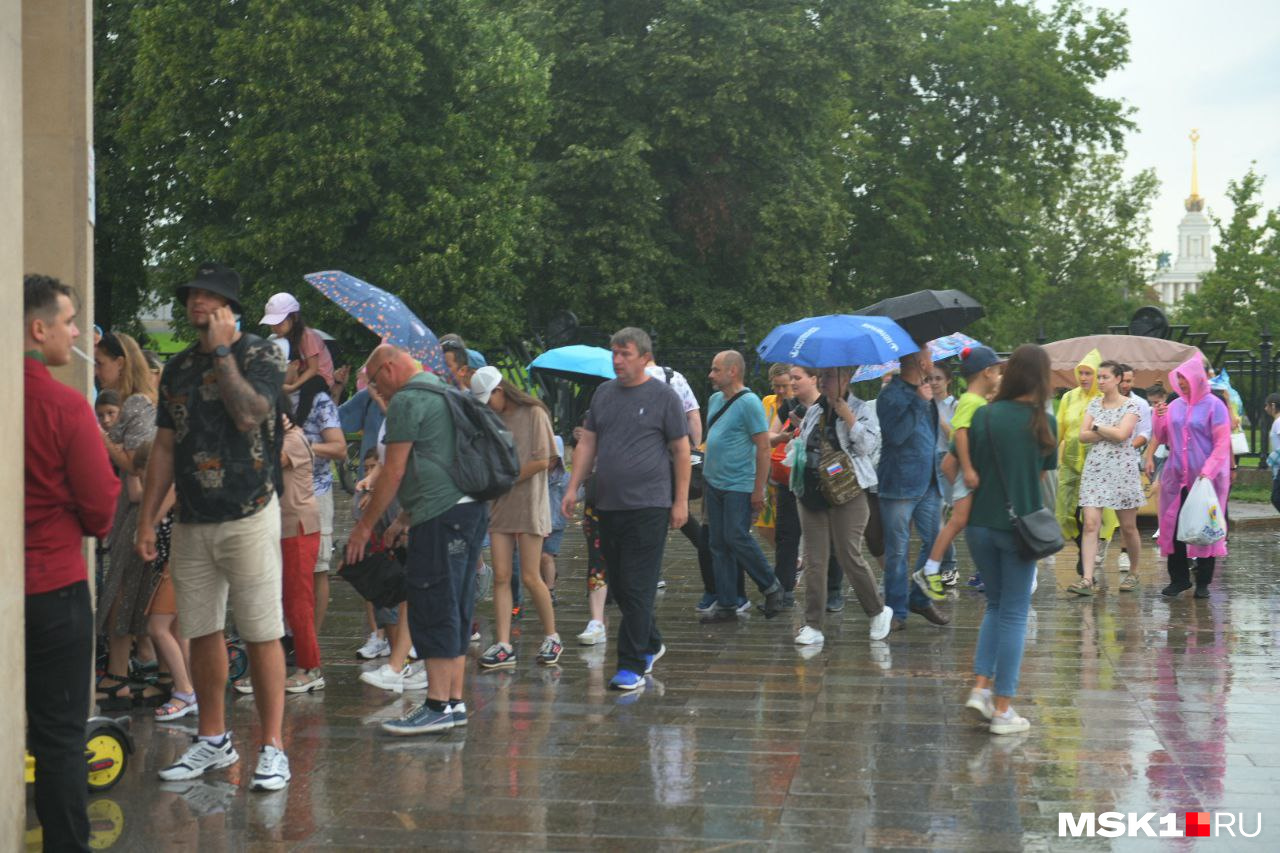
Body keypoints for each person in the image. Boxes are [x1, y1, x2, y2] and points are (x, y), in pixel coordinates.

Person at [137, 263, 292, 791]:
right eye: (192, 295)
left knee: (261, 632)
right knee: (201, 631)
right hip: (192, 520)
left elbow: (250, 415)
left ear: (230, 307)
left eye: (209, 296)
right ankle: (212, 738)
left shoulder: (259, 353)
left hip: (249, 513)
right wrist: (147, 517)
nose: (197, 302)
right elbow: (163, 445)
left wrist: (224, 352)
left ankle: (272, 747)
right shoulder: (177, 368)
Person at [24, 274, 121, 850]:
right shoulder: (64, 406)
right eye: (68, 321)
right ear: (39, 329)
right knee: (59, 739)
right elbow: (100, 507)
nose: (77, 332)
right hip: (55, 589)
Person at [346, 345, 489, 734]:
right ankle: (454, 703)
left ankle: (437, 705)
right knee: (456, 606)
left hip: (441, 519)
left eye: (375, 381)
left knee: (434, 605)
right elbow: (437, 466)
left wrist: (365, 527)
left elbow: (393, 472)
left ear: (389, 369)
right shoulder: (444, 391)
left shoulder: (409, 399)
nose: (377, 390)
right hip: (467, 512)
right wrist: (402, 521)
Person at [560, 328, 690, 691]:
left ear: (645, 357)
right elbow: (588, 442)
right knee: (617, 583)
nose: (617, 360)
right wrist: (573, 487)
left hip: (648, 504)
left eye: (625, 353)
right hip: (606, 503)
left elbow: (682, 451)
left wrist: (680, 502)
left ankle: (631, 664)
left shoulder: (664, 397)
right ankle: (650, 641)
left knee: (638, 583)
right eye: (614, 353)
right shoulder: (603, 394)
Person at [962, 344, 1057, 735]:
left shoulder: (983, 416)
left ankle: (981, 687)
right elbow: (1038, 480)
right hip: (1018, 530)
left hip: (978, 527)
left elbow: (960, 464)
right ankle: (1003, 709)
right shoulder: (1042, 423)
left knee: (995, 605)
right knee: (1016, 612)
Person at [791, 365, 894, 647]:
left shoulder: (862, 408)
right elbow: (805, 443)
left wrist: (847, 417)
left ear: (846, 378)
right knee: (815, 561)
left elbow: (867, 448)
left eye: (829, 376)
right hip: (812, 493)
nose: (823, 381)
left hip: (849, 493)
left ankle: (877, 611)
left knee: (849, 555)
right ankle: (813, 624)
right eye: (822, 376)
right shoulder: (814, 409)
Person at [470, 366, 563, 669]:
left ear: (499, 390)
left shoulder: (534, 412)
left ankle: (552, 636)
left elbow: (544, 460)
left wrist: (507, 478)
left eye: (488, 399)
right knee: (500, 576)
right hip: (500, 506)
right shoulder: (490, 418)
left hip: (529, 504)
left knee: (530, 576)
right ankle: (503, 643)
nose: (487, 406)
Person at [93, 329, 159, 709]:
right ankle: (122, 672)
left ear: (120, 363)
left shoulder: (136, 404)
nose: (98, 372)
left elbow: (136, 464)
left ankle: (118, 675)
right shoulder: (139, 402)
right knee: (126, 594)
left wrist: (101, 438)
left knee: (124, 592)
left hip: (138, 513)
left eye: (101, 364)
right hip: (135, 512)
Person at [913, 347, 1003, 600]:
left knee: (967, 522)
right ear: (987, 372)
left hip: (970, 471)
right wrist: (969, 468)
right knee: (958, 521)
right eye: (997, 371)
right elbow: (959, 433)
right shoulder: (971, 402)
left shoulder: (976, 402)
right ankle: (930, 568)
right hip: (970, 471)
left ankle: (945, 568)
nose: (998, 376)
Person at [701, 351, 785, 620]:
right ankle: (727, 604)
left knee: (737, 536)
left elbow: (762, 447)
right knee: (717, 542)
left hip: (739, 483)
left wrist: (758, 490)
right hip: (713, 482)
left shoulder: (749, 402)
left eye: (715, 369)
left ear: (733, 371)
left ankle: (772, 587)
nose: (710, 375)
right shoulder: (715, 399)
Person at [876, 348, 950, 629]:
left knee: (938, 542)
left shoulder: (925, 390)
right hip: (899, 484)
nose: (933, 362)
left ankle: (918, 597)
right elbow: (895, 436)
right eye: (930, 356)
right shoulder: (891, 394)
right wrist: (919, 401)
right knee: (897, 551)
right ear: (920, 362)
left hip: (929, 481)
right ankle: (896, 610)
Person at [1148, 357, 1232, 599]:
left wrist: (1209, 470)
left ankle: (1203, 582)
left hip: (1206, 480)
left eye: (1186, 378)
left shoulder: (1215, 406)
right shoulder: (1175, 406)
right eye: (1179, 378)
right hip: (1177, 478)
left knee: (1206, 526)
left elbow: (1221, 442)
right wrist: (1159, 416)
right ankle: (1179, 579)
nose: (1182, 383)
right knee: (1174, 526)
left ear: (1197, 377)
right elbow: (1163, 436)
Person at [1068, 361, 1144, 595]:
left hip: (1122, 470)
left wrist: (1099, 427)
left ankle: (1133, 571)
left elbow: (1123, 434)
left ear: (1118, 379)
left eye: (1105, 377)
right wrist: (1108, 430)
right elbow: (1082, 435)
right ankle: (1087, 578)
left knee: (1128, 527)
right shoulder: (1093, 403)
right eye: (1098, 377)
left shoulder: (1131, 405)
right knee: (1091, 524)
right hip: (1096, 468)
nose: (1100, 381)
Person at [1055, 349, 1119, 575]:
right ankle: (1085, 550)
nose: (1083, 378)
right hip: (1070, 466)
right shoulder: (1068, 398)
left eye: (1088, 373)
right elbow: (1059, 429)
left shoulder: (1103, 400)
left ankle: (1088, 558)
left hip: (1097, 466)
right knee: (1066, 514)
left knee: (1091, 516)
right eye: (1080, 373)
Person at [278, 407, 325, 693]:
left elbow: (268, 465)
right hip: (282, 528)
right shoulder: (280, 436)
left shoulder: (292, 439)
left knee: (298, 602)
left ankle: (310, 667)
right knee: (283, 602)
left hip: (297, 528)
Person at [298, 383, 345, 636]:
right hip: (278, 493)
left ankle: (310, 640)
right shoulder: (268, 393)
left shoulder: (319, 400)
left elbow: (339, 448)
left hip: (315, 491)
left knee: (317, 567)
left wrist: (301, 445)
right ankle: (288, 634)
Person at [261, 292, 334, 425]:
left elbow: (313, 369)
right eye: (272, 324)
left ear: (293, 317)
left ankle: (298, 424)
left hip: (320, 376)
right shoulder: (282, 339)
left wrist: (294, 386)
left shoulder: (307, 336)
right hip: (301, 371)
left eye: (279, 323)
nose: (275, 327)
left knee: (308, 387)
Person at [1115, 365, 1152, 573]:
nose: (1126, 385)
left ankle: (1124, 551)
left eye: (1130, 381)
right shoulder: (1103, 401)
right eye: (1123, 380)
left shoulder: (1140, 403)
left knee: (1127, 509)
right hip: (1103, 462)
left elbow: (1145, 432)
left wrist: (1128, 445)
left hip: (1129, 461)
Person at [927, 364, 959, 586]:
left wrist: (939, 418)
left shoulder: (956, 405)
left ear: (948, 381)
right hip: (926, 462)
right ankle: (940, 565)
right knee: (932, 518)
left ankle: (950, 565)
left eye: (938, 378)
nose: (934, 382)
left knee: (942, 517)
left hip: (946, 461)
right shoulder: (924, 404)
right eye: (929, 378)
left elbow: (956, 438)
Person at [1265, 393, 1280, 515]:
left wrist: (1272, 458)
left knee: (1276, 497)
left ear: (1273, 406)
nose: (1266, 409)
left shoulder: (1278, 422)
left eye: (1267, 405)